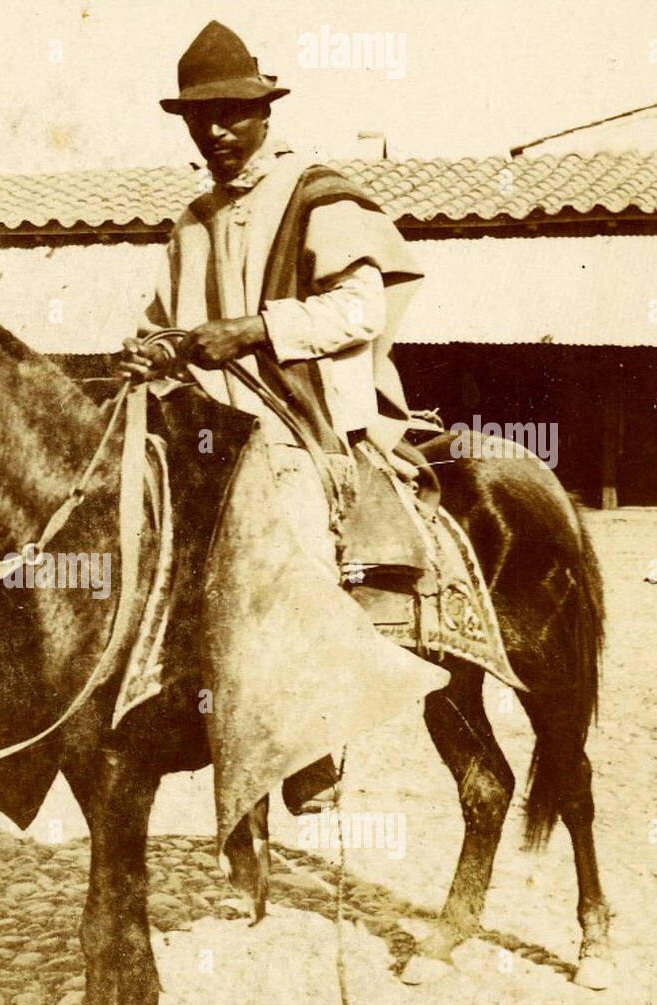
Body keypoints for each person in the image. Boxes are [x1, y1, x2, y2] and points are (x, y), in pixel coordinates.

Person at [119, 21, 448, 820]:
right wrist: (155, 352)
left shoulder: (321, 197)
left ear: (265, 110)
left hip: (308, 421)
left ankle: (310, 736)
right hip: (207, 426)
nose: (218, 131)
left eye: (233, 112)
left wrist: (256, 329)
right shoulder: (190, 222)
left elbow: (359, 310)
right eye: (202, 118)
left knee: (280, 516)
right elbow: (170, 323)